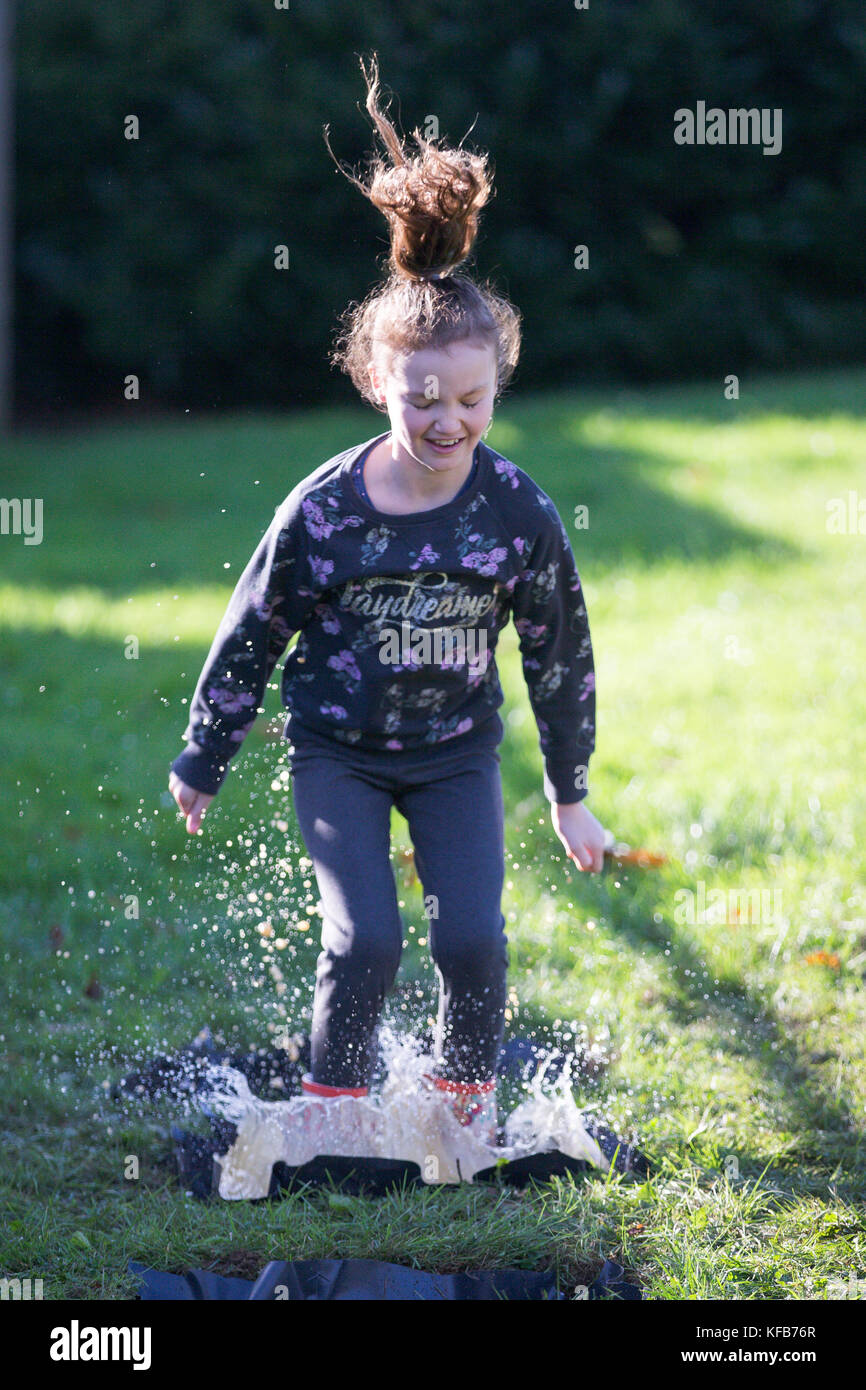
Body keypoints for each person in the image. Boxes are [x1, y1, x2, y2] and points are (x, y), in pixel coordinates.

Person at [168, 54, 605, 1146]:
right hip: (337, 752)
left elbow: (557, 651)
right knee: (363, 941)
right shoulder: (324, 509)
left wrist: (568, 789)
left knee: (471, 941)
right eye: (424, 399)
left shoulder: (517, 513)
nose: (448, 419)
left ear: (494, 386)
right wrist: (203, 754)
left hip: (456, 752)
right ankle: (334, 1111)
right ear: (379, 383)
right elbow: (252, 625)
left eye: (470, 397)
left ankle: (463, 1110)